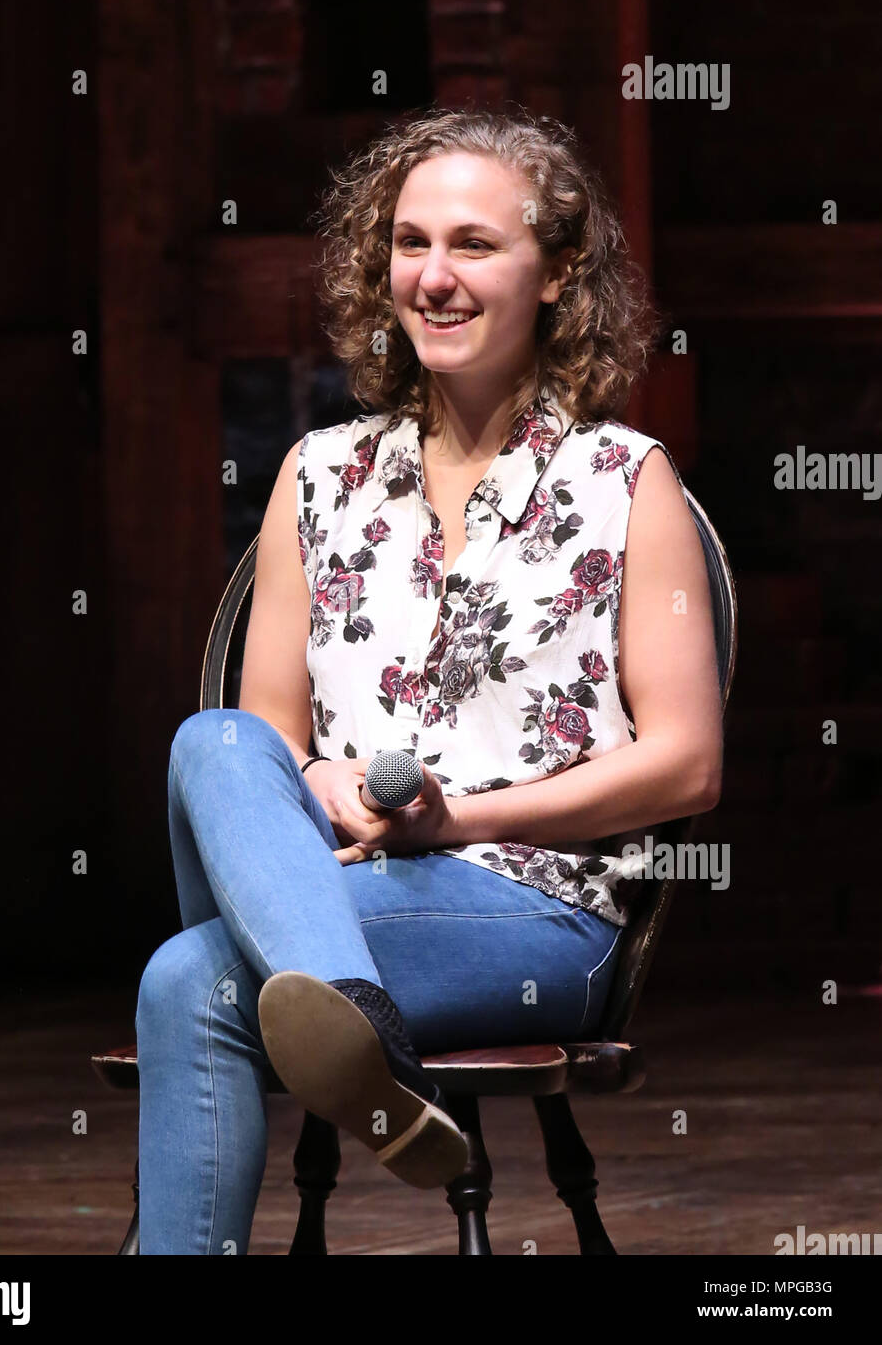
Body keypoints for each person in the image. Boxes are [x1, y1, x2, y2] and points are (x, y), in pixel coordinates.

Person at [134, 105, 724, 1254]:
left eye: (472, 244)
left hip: (537, 906)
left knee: (189, 981)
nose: (433, 277)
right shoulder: (318, 473)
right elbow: (266, 739)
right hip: (337, 885)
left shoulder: (623, 482)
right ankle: (359, 1029)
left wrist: (459, 819)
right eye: (410, 244)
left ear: (554, 274)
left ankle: (347, 1035)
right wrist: (328, 785)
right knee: (210, 744)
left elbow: (688, 765)